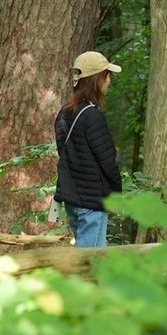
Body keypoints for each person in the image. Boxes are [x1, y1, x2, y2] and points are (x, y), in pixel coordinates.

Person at [53, 50, 122, 247]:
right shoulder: (93, 116)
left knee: (83, 259)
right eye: (107, 75)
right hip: (92, 202)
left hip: (72, 199)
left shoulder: (65, 113)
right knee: (90, 265)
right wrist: (117, 194)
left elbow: (63, 152)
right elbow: (108, 162)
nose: (109, 80)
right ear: (97, 79)